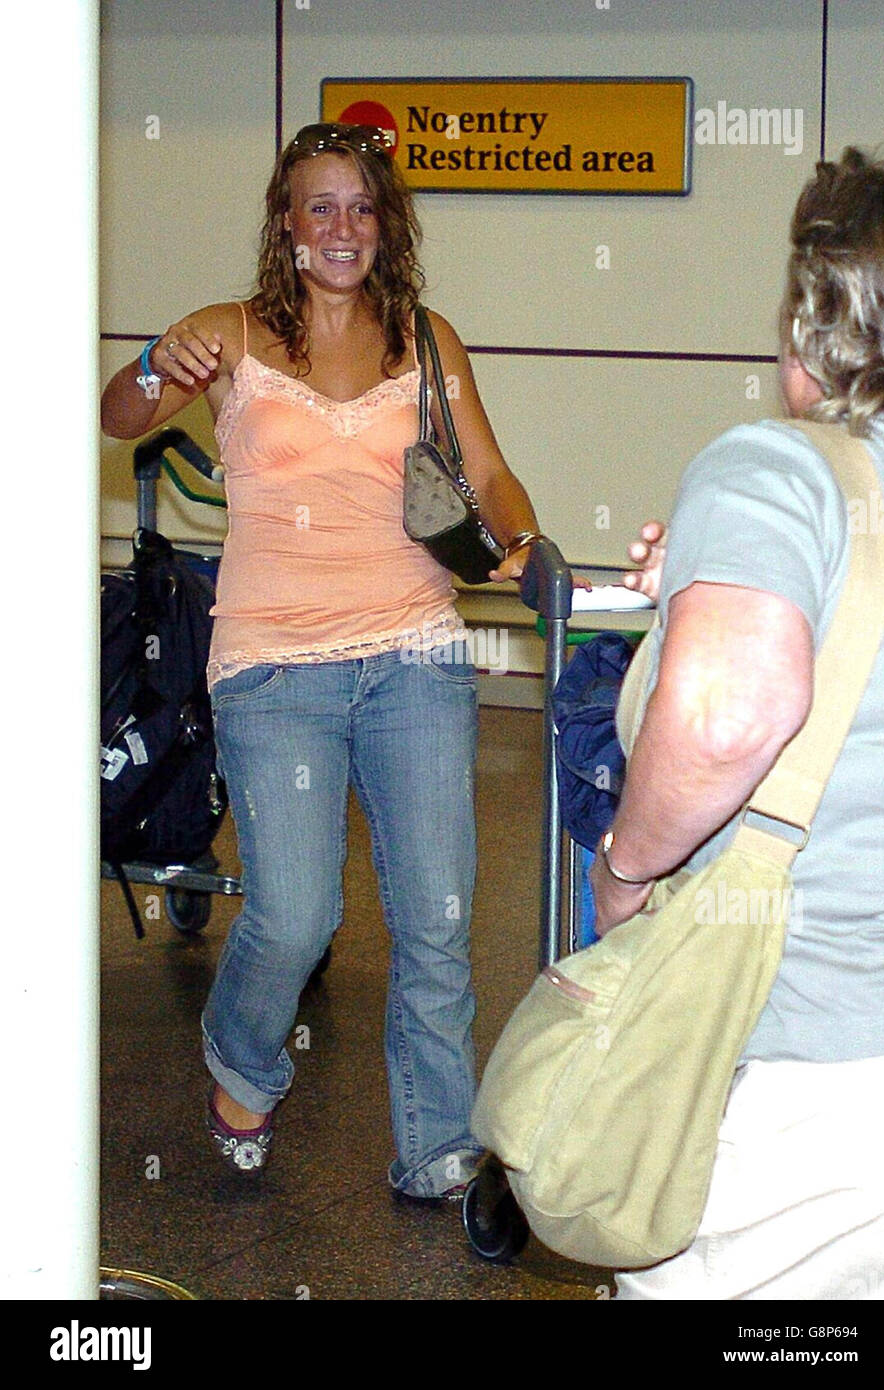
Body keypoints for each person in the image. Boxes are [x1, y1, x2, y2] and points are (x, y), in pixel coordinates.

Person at [100, 122, 542, 1197]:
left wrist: (524, 546)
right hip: (273, 664)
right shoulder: (231, 334)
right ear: (285, 225)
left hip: (414, 649)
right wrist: (158, 362)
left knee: (436, 914)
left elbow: (487, 476)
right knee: (296, 916)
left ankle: (435, 1144)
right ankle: (242, 1058)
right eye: (318, 207)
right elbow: (118, 416)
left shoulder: (426, 340)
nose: (340, 228)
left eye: (360, 206)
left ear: (385, 222)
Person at [591, 147, 884, 1298]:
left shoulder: (776, 470)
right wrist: (716, 576)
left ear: (810, 319)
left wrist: (626, 871)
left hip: (806, 1078)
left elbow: (728, 714)